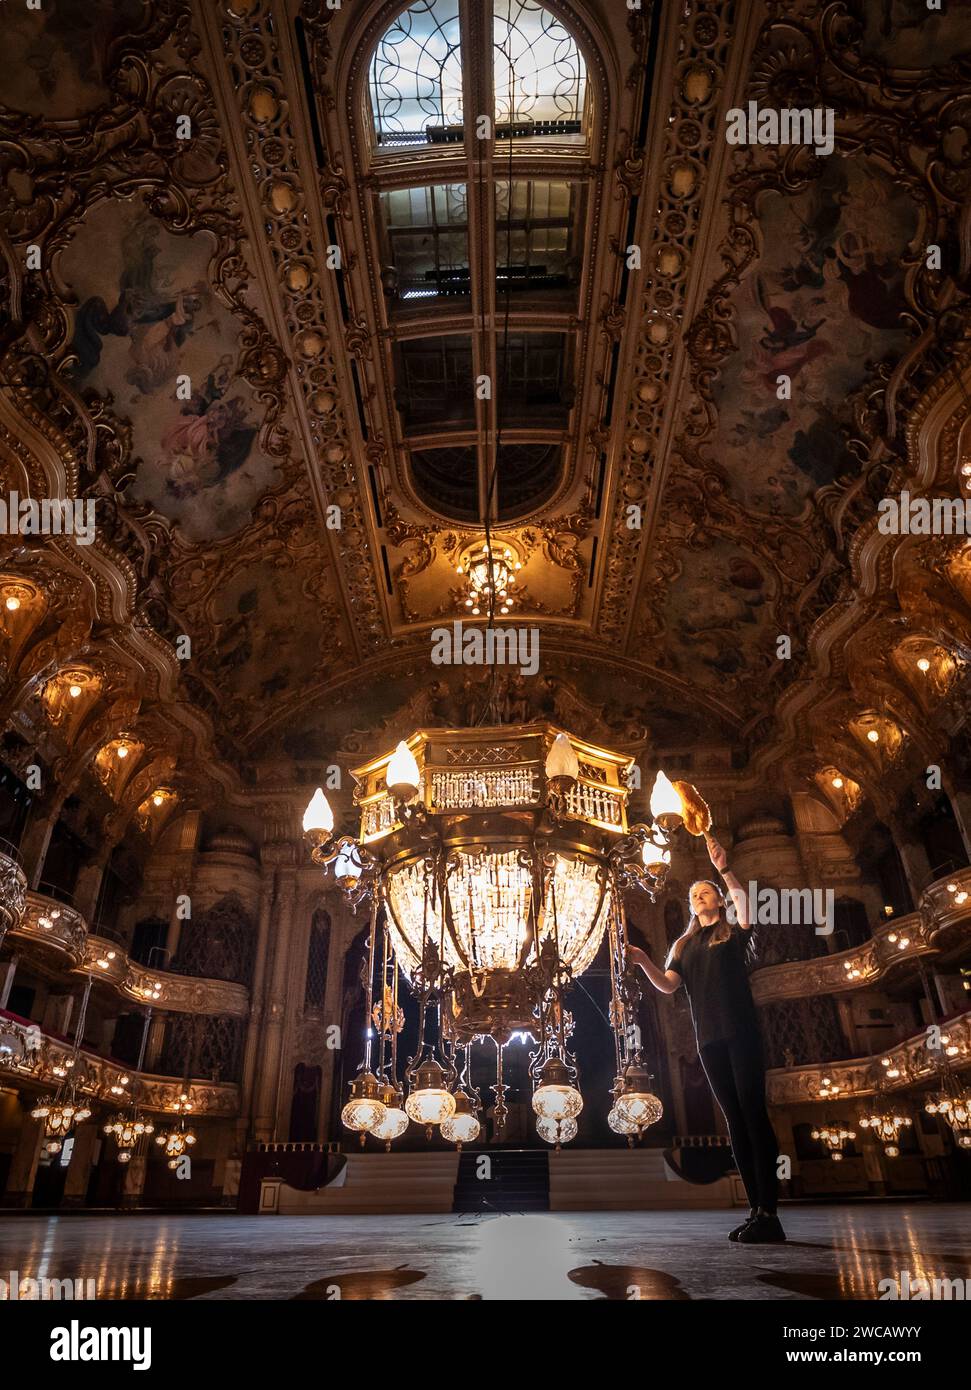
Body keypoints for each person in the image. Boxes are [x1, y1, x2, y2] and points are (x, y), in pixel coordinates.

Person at [627, 832, 786, 1244]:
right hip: (708, 1039)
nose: (699, 897)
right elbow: (667, 985)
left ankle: (771, 1211)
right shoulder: (683, 943)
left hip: (741, 1031)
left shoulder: (733, 933)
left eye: (706, 892)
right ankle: (755, 1210)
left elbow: (747, 907)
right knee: (734, 1120)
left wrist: (725, 870)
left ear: (718, 900)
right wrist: (643, 959)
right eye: (694, 894)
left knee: (753, 1113)